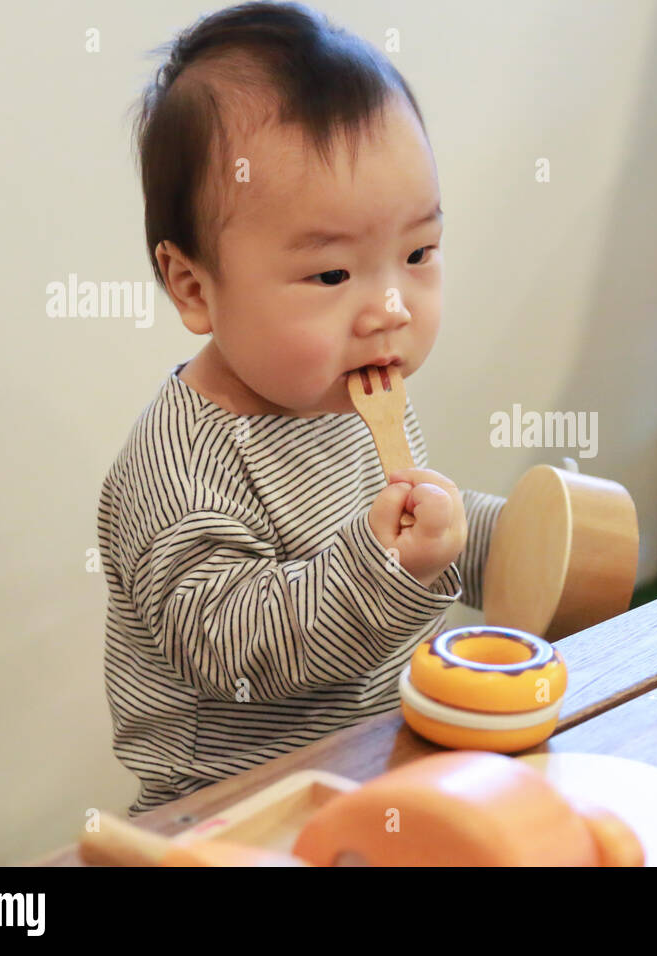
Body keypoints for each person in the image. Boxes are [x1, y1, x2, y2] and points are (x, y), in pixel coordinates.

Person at [97, 2, 505, 813]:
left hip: (374, 769)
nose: (389, 306)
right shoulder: (177, 466)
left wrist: (505, 533)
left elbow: (418, 519)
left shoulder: (356, 391)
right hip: (231, 812)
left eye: (418, 253)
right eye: (330, 276)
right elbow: (237, 648)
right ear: (193, 285)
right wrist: (391, 564)